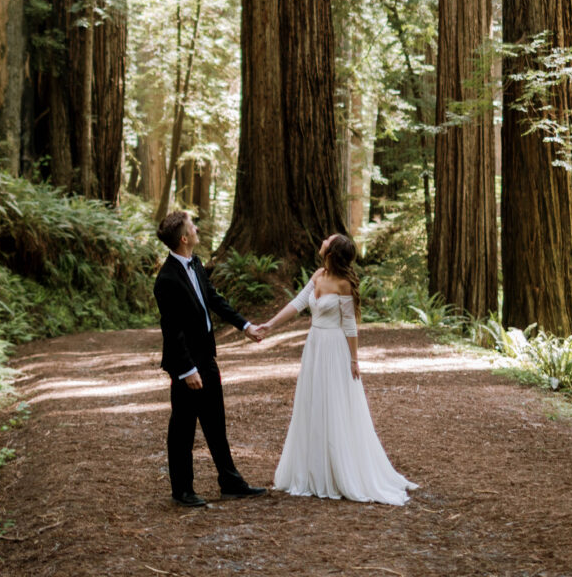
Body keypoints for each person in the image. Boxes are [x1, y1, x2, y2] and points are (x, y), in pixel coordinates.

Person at [252, 233, 416, 505]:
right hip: (315, 346)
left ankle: (338, 469)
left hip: (335, 349)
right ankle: (311, 470)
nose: (324, 239)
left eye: (328, 239)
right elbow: (298, 303)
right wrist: (269, 325)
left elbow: (350, 325)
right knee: (312, 403)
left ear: (331, 251)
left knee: (334, 405)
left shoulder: (343, 285)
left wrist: (354, 359)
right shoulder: (318, 275)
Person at [154, 209, 268, 508]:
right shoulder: (167, 278)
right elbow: (172, 329)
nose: (196, 229)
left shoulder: (196, 264)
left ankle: (230, 481)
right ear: (183, 238)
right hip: (186, 365)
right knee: (182, 427)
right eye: (192, 226)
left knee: (216, 422)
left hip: (207, 357)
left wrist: (245, 326)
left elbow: (214, 299)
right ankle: (182, 490)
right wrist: (188, 369)